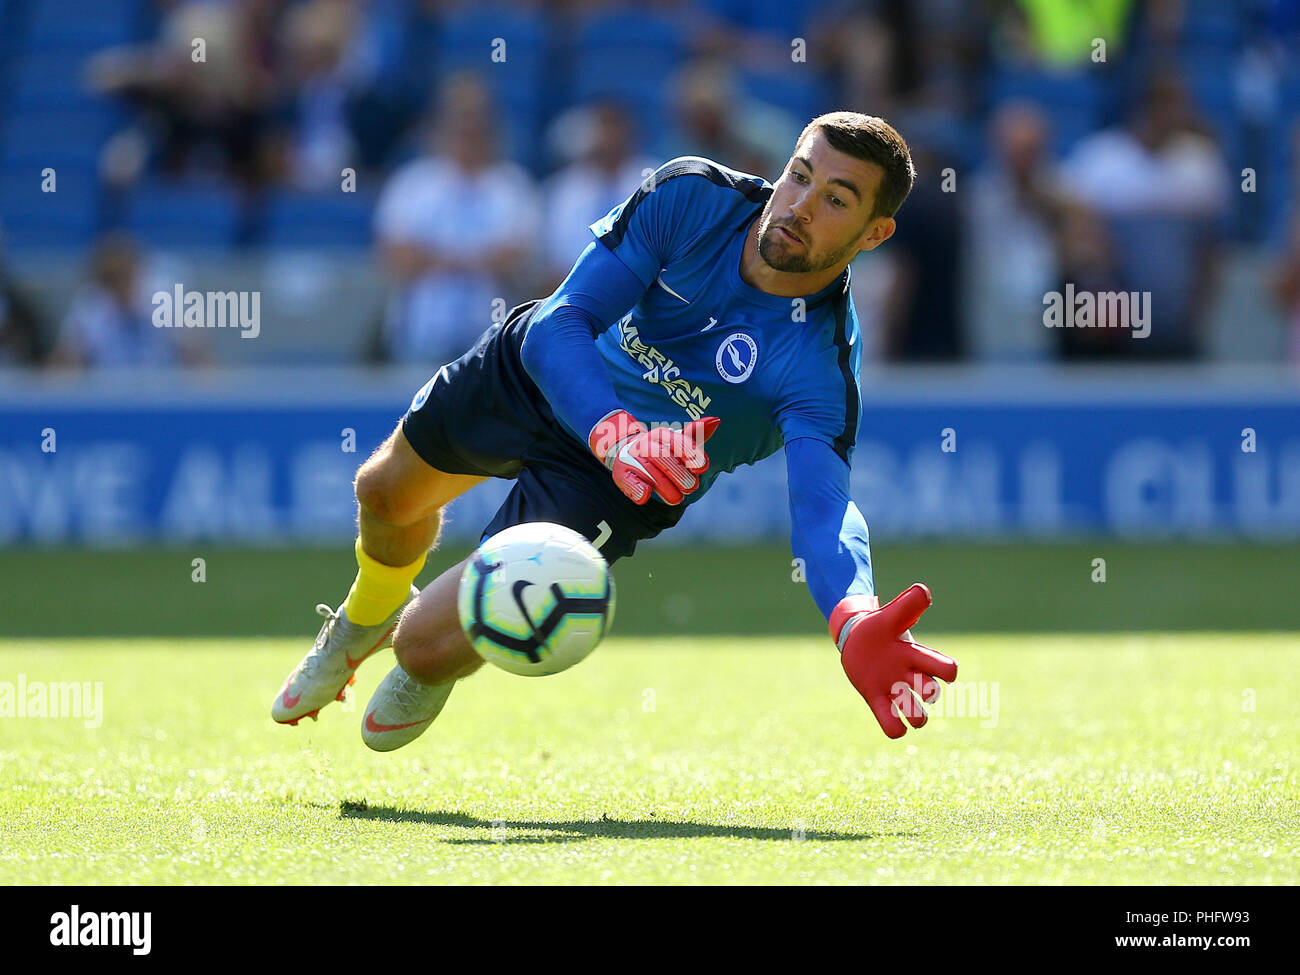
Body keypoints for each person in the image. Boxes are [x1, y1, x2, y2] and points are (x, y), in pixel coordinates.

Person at [271, 112, 959, 750]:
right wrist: (616, 429)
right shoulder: (694, 197)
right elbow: (559, 323)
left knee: (423, 648)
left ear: (874, 234)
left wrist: (854, 612)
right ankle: (360, 622)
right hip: (553, 377)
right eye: (799, 174)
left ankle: (419, 640)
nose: (801, 204)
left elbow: (823, 505)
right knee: (384, 494)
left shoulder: (820, 365)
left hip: (613, 484)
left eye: (837, 199)